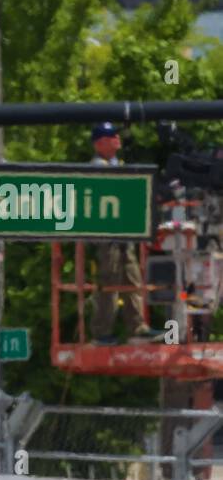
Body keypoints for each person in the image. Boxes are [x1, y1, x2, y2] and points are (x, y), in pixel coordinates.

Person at [90, 123, 159, 343]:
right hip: (107, 234)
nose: (117, 138)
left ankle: (137, 328)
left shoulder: (117, 164)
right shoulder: (97, 167)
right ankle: (102, 332)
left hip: (125, 233)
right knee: (109, 281)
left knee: (132, 279)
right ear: (99, 143)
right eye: (111, 136)